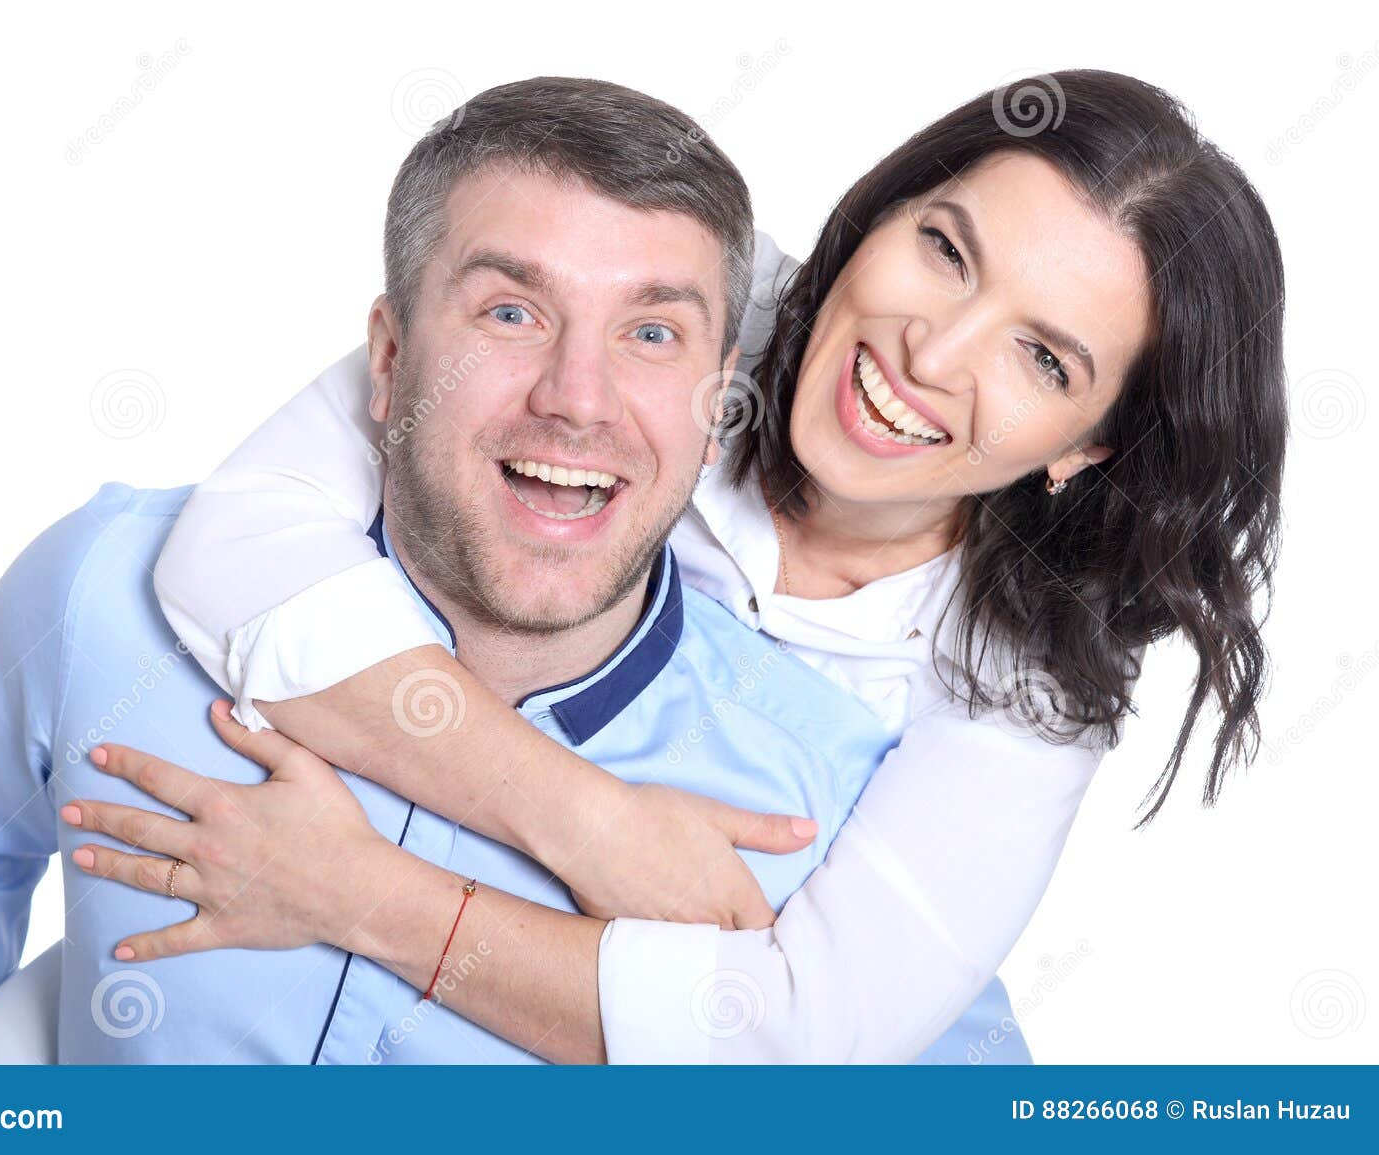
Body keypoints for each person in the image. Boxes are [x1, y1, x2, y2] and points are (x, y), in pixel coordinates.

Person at [96, 69, 1288, 1063]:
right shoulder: (670, 299)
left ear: (1087, 446)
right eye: (943, 249)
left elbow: (784, 1039)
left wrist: (361, 897)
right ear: (879, 213)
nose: (931, 353)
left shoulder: (1021, 697)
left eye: (1042, 359)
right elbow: (240, 543)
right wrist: (586, 823)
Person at [0, 76, 1027, 1066]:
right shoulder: (103, 588)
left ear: (722, 406)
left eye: (651, 333)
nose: (576, 399)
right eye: (510, 313)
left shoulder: (820, 811)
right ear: (391, 356)